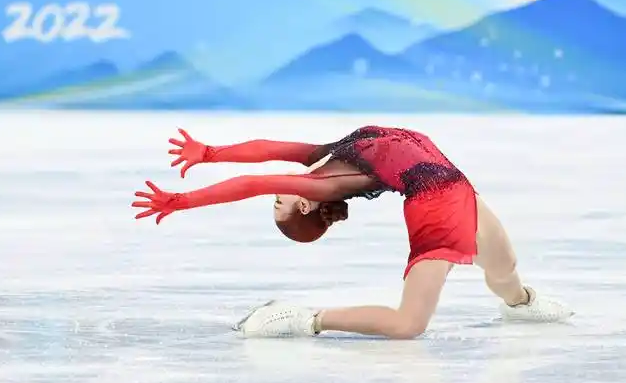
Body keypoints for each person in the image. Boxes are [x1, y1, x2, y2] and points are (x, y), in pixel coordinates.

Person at [132, 126, 574, 339]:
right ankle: (304, 318)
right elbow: (255, 183)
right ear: (303, 204)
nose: (279, 195)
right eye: (280, 204)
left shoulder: (326, 157)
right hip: (437, 202)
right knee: (408, 324)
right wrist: (181, 201)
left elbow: (270, 150)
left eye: (277, 203)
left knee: (503, 266)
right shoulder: (322, 184)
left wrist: (210, 152)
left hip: (454, 186)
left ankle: (521, 304)